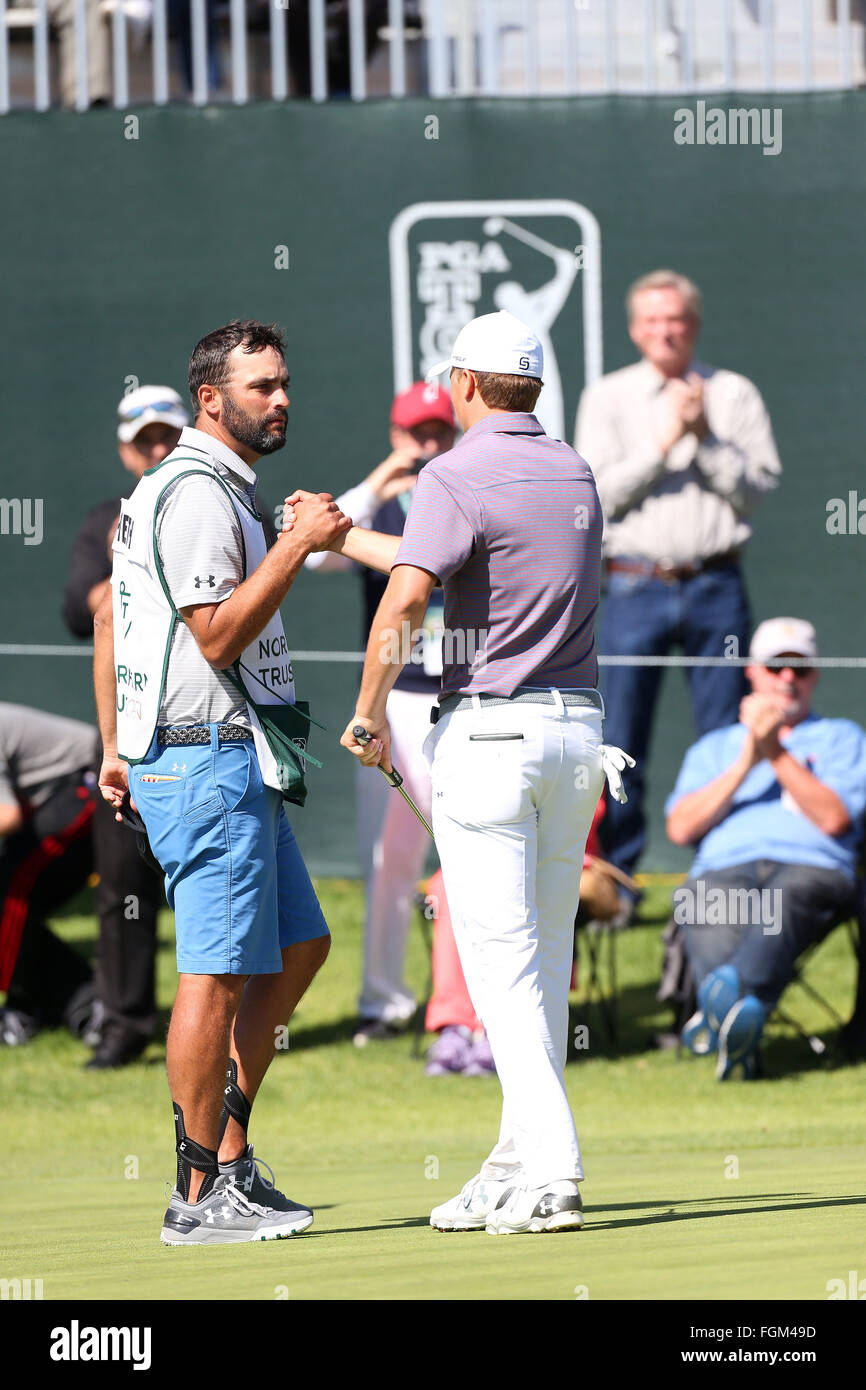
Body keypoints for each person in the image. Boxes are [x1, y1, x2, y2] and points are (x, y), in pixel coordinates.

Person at [307, 308, 632, 1235]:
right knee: (542, 961)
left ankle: (555, 1172)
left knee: (501, 974)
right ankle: (511, 1161)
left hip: (491, 740)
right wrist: (340, 540)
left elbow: (409, 594)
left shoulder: (451, 472)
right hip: (579, 742)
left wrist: (367, 712)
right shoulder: (573, 470)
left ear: (464, 385)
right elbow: (445, 563)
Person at [94, 319, 350, 1244]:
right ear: (212, 399)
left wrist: (116, 744)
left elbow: (112, 627)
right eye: (261, 386)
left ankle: (229, 1151)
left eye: (284, 382)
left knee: (298, 947)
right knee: (215, 975)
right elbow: (216, 635)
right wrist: (299, 545)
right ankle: (196, 1198)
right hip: (205, 757)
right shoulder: (197, 491)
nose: (280, 398)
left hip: (225, 750)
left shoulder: (201, 489)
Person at [576, 269, 782, 898]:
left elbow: (759, 488)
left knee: (726, 734)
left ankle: (725, 873)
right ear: (636, 329)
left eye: (677, 319)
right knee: (620, 741)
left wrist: (706, 439)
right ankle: (618, 880)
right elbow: (597, 492)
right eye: (653, 320)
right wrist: (667, 445)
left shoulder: (733, 394)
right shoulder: (608, 397)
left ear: (694, 325)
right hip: (635, 585)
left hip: (715, 584)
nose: (666, 330)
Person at [304, 381, 462, 1044]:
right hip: (394, 701)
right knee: (389, 858)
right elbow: (314, 555)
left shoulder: (467, 494)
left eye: (437, 433)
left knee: (466, 860)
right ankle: (385, 1002)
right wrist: (381, 477)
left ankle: (468, 1012)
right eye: (415, 434)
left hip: (463, 700)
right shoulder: (383, 505)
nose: (427, 445)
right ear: (397, 436)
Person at [666, 618, 866, 1080]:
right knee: (702, 898)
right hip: (724, 868)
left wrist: (776, 752)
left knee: (788, 895)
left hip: (812, 870)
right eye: (777, 667)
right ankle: (741, 1028)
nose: (788, 678)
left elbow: (834, 818)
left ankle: (723, 1018)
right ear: (753, 672)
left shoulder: (842, 738)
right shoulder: (715, 747)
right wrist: (746, 762)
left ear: (815, 675)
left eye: (801, 668)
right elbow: (680, 828)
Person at [64, 385, 190, 1069]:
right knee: (121, 888)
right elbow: (85, 608)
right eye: (145, 441)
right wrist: (130, 554)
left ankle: (235, 1029)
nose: (158, 449)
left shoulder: (211, 504)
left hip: (206, 723)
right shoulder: (104, 522)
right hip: (128, 736)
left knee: (219, 882)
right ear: (126, 448)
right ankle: (125, 1023)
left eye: (168, 435)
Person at [0, 704, 101, 1045]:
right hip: (58, 796)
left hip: (92, 781)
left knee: (11, 891)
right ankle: (86, 998)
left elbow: (7, 815)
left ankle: (22, 1011)